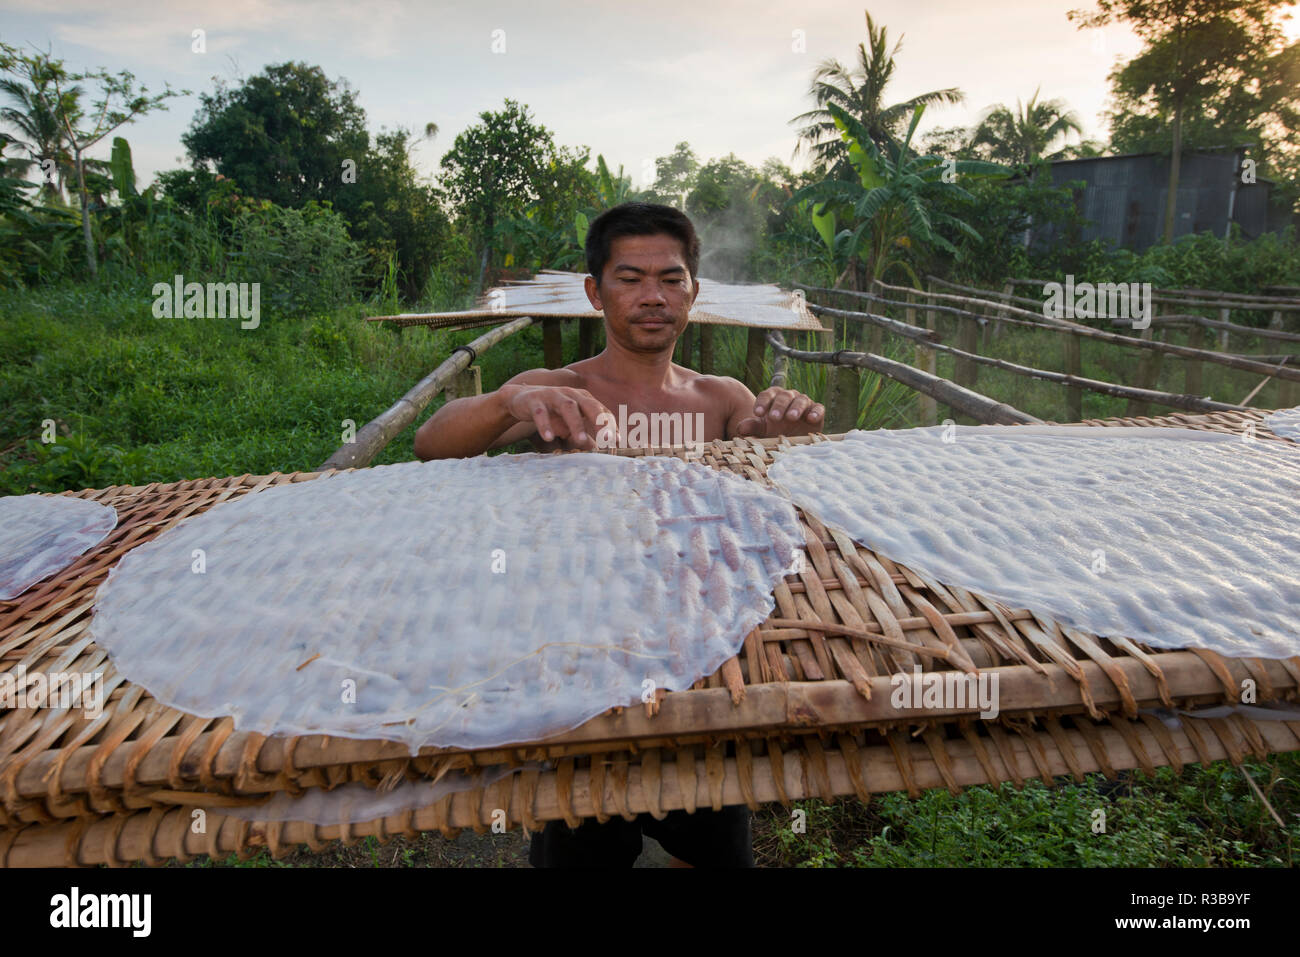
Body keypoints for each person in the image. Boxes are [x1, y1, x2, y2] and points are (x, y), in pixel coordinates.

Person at [414, 202, 824, 866]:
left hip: (704, 667)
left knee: (718, 847)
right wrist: (506, 402)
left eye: (671, 278)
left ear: (694, 291)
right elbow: (432, 442)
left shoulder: (721, 398)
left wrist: (790, 435)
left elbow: (770, 488)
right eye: (631, 277)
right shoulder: (560, 390)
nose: (653, 296)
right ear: (594, 291)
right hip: (582, 671)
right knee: (578, 848)